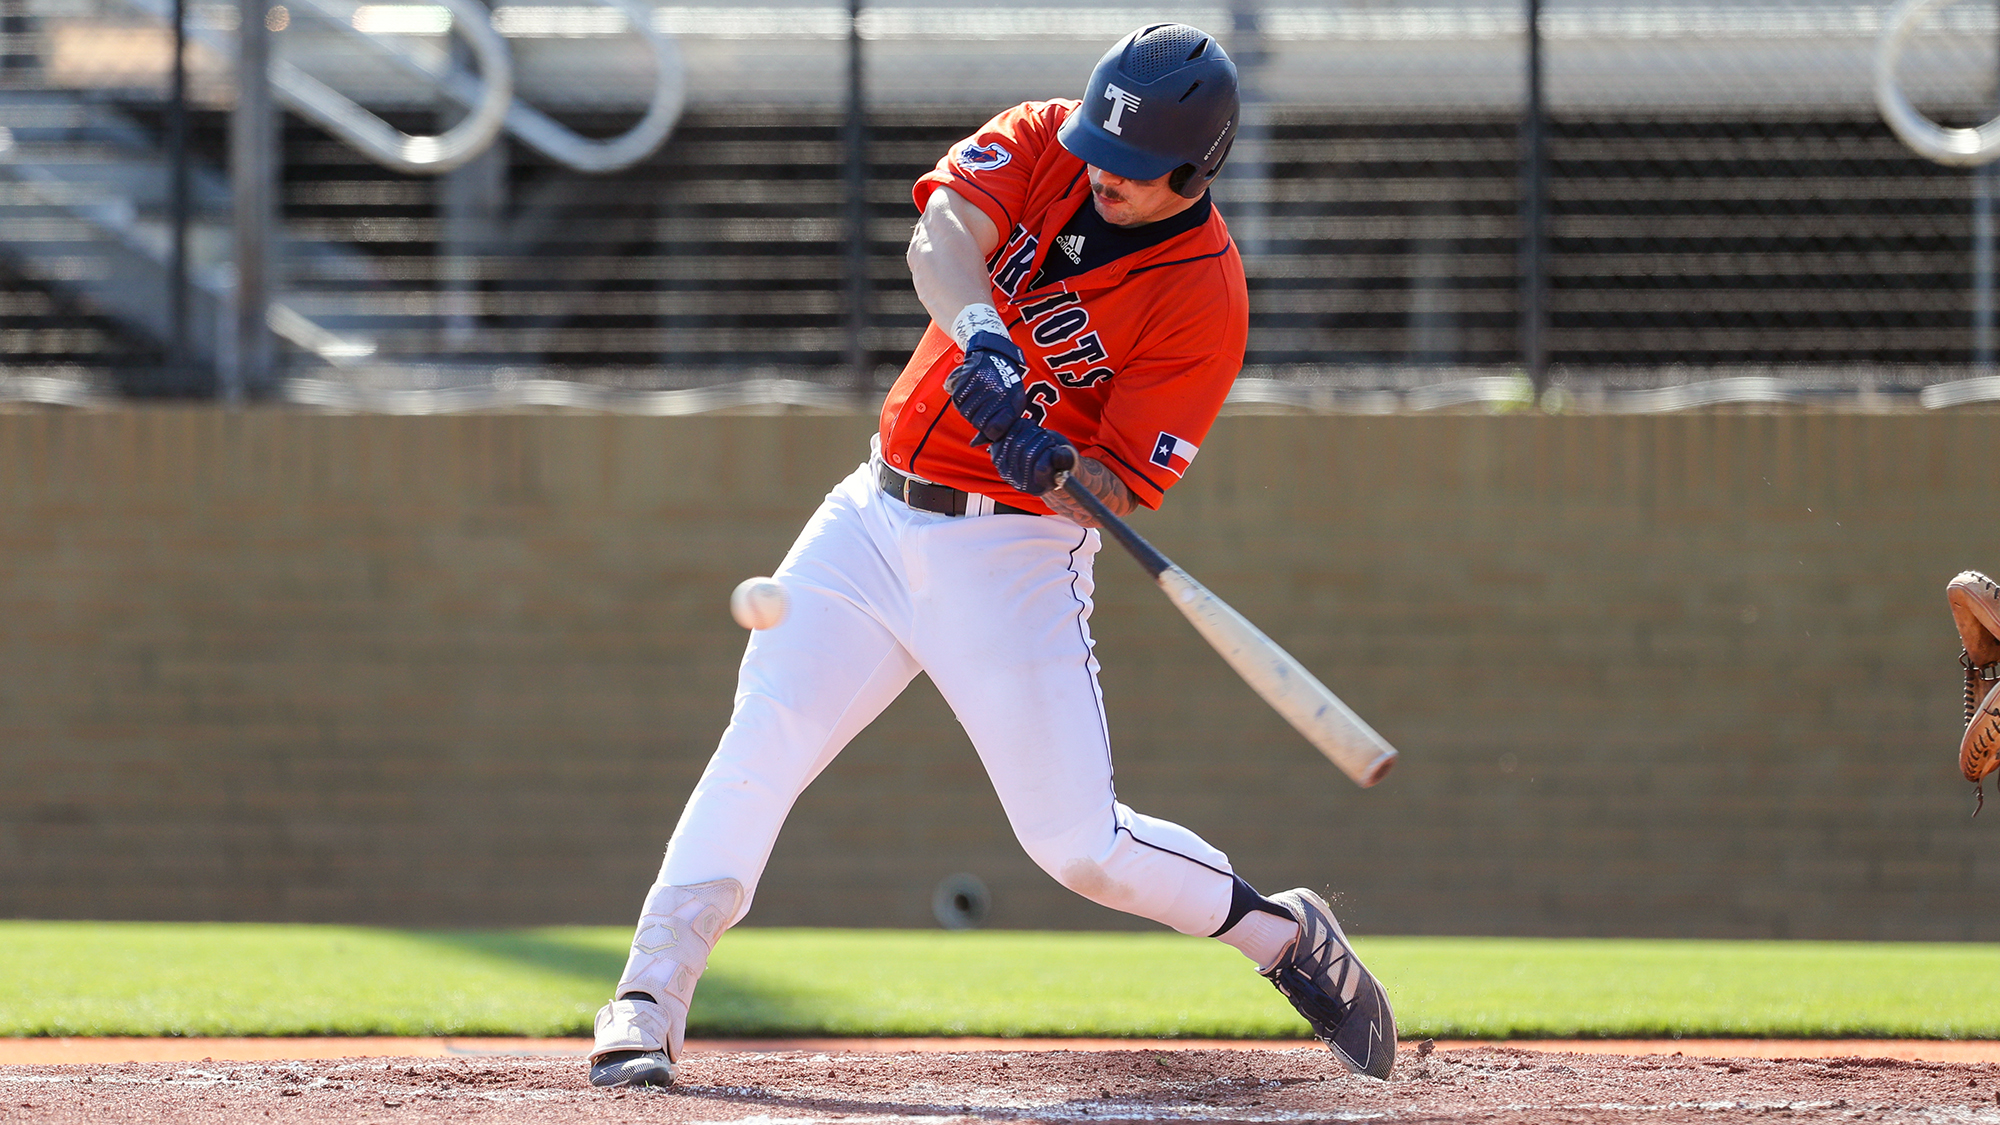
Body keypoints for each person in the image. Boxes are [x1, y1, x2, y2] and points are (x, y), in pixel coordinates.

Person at [586, 23, 1396, 1087]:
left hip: (1012, 553)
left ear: (1194, 173)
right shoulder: (1047, 137)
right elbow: (939, 237)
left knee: (1080, 847)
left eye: (1131, 166)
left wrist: (1050, 462)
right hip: (870, 515)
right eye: (1097, 146)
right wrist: (982, 335)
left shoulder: (1204, 297)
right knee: (762, 739)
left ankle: (1282, 935)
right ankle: (647, 997)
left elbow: (1117, 488)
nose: (1101, 172)